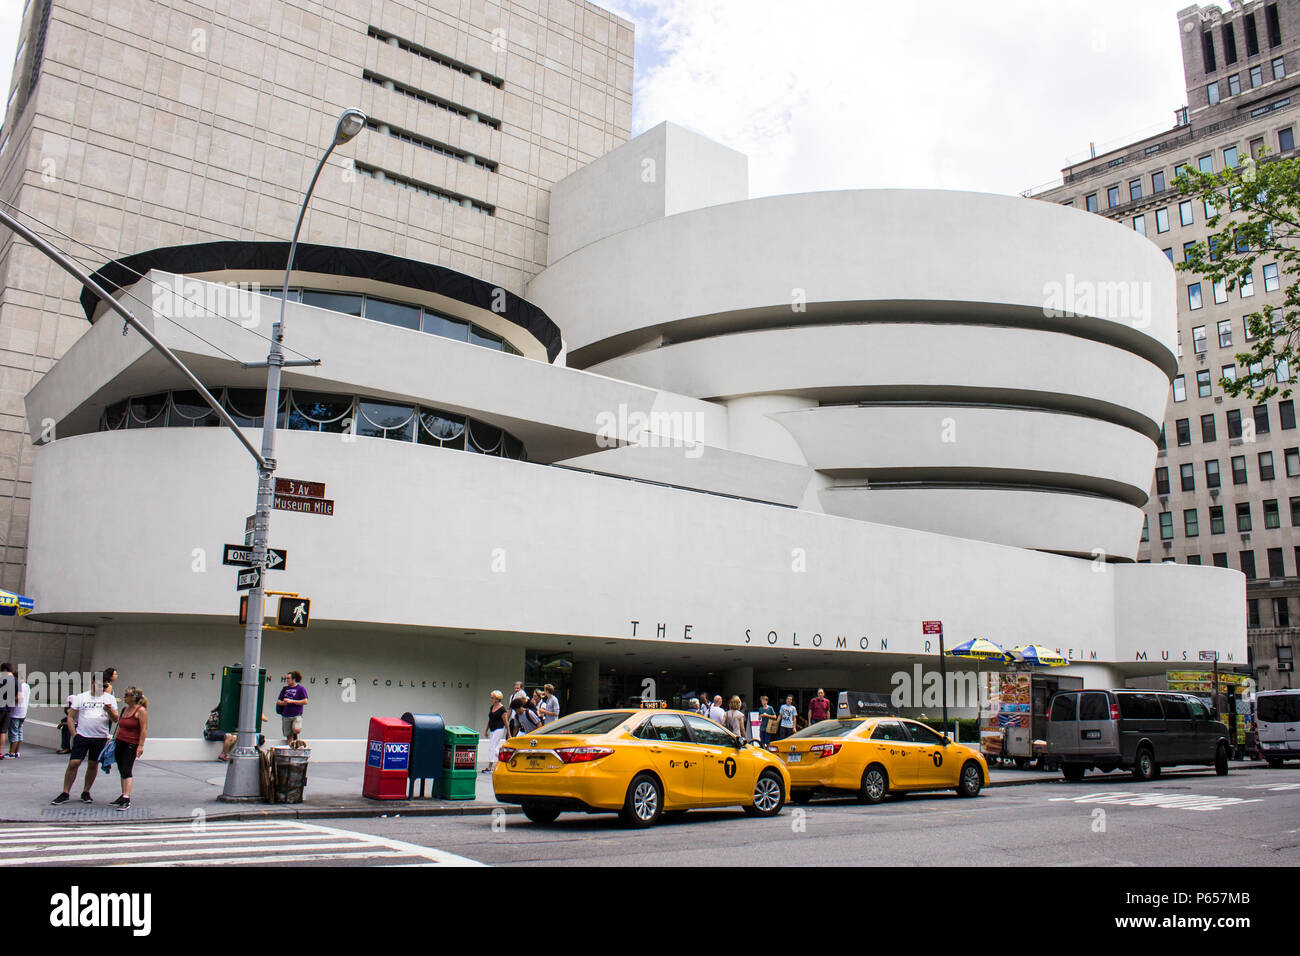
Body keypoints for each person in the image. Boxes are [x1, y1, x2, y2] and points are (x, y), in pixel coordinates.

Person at [50, 669, 119, 805]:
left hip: (99, 736)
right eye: (101, 685)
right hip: (82, 735)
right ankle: (65, 792)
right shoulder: (81, 697)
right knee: (74, 763)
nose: (103, 688)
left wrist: (109, 710)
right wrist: (74, 734)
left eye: (106, 686)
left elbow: (116, 718)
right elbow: (71, 717)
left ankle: (86, 791)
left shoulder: (109, 699)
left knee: (93, 764)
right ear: (93, 683)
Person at [112, 687, 148, 811]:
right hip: (120, 742)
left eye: (127, 695)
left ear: (134, 697)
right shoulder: (124, 709)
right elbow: (120, 726)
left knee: (127, 769)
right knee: (121, 768)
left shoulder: (140, 711)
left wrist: (141, 745)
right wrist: (114, 740)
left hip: (131, 743)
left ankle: (126, 798)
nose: (125, 697)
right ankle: (123, 795)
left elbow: (143, 729)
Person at [276, 671, 308, 746]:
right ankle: (290, 748)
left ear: (294, 679)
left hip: (296, 714)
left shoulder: (300, 688)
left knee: (296, 729)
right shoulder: (285, 689)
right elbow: (278, 701)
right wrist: (284, 703)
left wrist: (292, 701)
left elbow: (305, 701)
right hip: (286, 714)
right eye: (286, 678)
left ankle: (296, 737)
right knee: (288, 735)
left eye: (288, 678)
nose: (287, 680)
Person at [6, 669, 29, 758]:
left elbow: (19, 699)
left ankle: (11, 753)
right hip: (23, 713)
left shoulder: (18, 686)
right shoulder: (26, 686)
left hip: (15, 712)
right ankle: (16, 752)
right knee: (19, 732)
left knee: (13, 733)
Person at [483, 690, 507, 773]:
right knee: (495, 748)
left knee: (492, 746)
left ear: (497, 699)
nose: (491, 700)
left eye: (492, 698)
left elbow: (505, 721)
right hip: (493, 729)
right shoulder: (492, 707)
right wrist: (486, 729)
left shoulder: (502, 709)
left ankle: (490, 766)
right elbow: (490, 719)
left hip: (499, 729)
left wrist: (509, 733)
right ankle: (503, 759)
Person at [0, 663, 16, 760]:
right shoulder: (16, 681)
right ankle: (0, 752)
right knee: (2, 731)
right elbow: (18, 697)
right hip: (9, 709)